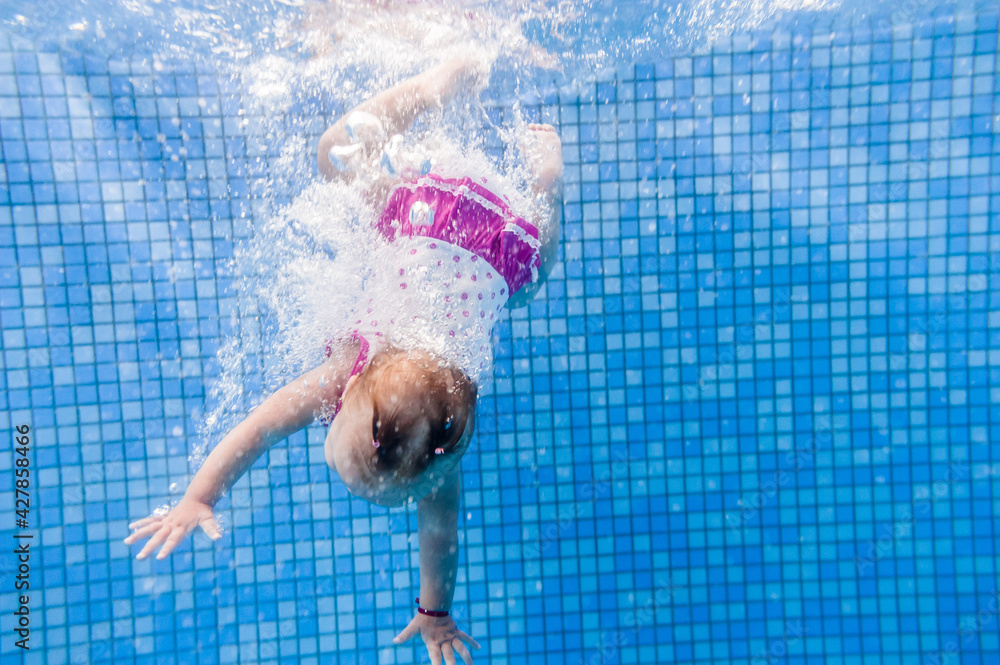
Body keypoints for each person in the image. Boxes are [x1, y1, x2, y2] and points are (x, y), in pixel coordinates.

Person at [124, 55, 563, 665]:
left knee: (537, 269)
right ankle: (439, 98)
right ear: (347, 400)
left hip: (494, 245)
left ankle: (538, 180)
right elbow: (260, 428)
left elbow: (442, 537)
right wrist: (202, 495)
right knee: (333, 152)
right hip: (427, 214)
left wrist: (436, 612)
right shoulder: (358, 388)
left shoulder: (441, 445)